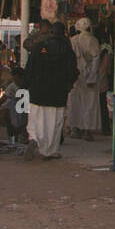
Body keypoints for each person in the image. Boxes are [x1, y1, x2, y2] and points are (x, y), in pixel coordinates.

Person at [23, 20, 78, 161]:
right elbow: (72, 71)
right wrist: (69, 83)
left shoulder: (39, 47)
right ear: (63, 33)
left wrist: (27, 84)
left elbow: (30, 68)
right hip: (58, 93)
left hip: (38, 91)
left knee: (37, 119)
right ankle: (50, 150)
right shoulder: (67, 50)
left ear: (51, 32)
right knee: (55, 122)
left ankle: (35, 138)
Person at [66, 17, 102, 141]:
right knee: (89, 103)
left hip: (75, 75)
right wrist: (92, 77)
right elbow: (96, 60)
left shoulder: (73, 40)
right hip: (88, 75)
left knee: (75, 102)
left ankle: (74, 128)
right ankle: (87, 130)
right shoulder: (92, 40)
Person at [0, 65, 28, 146]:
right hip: (11, 106)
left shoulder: (27, 86)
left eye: (17, 78)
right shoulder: (13, 85)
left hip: (23, 109)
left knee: (9, 114)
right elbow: (4, 97)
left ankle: (21, 135)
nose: (15, 80)